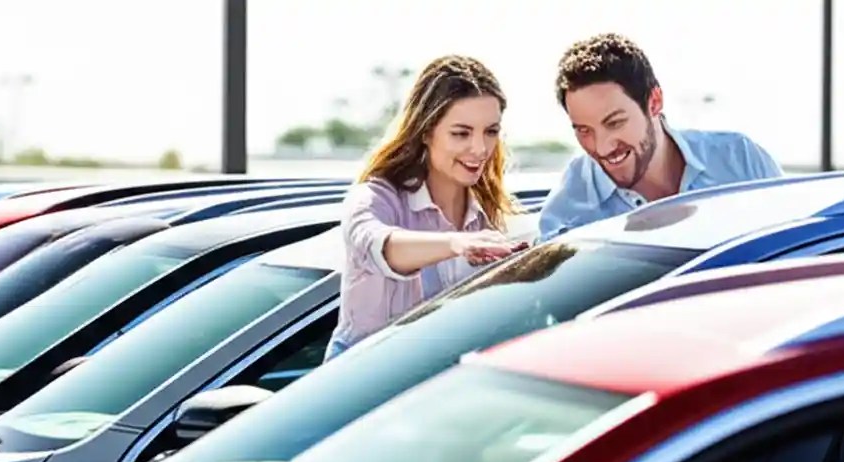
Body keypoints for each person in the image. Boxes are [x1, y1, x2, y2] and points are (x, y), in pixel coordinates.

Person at [325, 55, 527, 360]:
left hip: (436, 387)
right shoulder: (376, 197)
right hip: (357, 383)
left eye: (491, 131)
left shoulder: (493, 216)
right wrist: (456, 243)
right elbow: (377, 245)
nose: (480, 148)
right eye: (461, 133)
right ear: (426, 131)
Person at [538, 33, 785, 241]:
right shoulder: (569, 210)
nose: (601, 147)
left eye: (614, 123)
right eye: (584, 130)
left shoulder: (741, 161)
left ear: (654, 102)